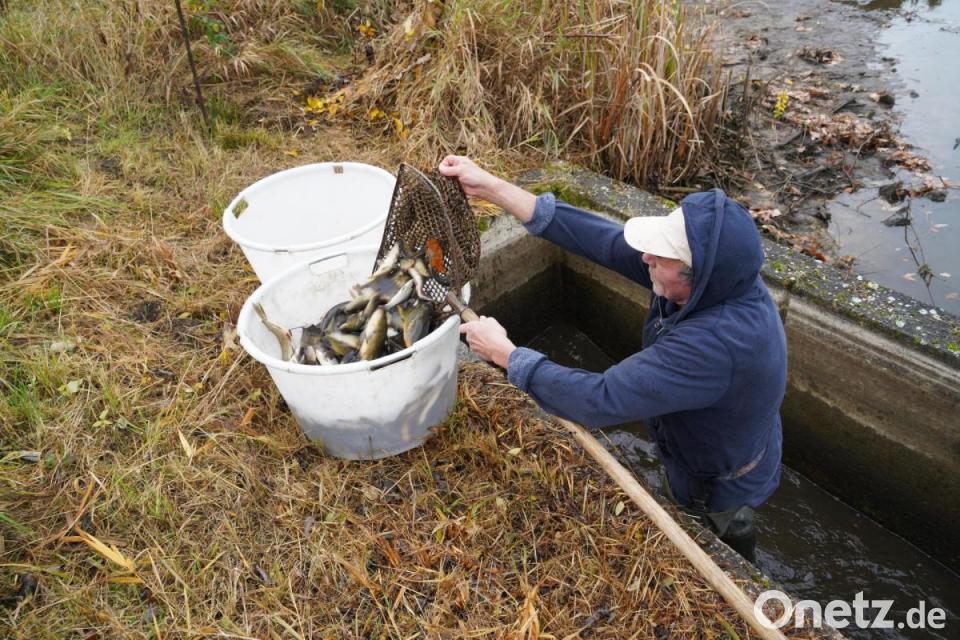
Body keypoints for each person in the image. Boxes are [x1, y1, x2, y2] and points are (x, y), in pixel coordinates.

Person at [438, 155, 788, 564]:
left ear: (699, 274)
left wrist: (505, 353)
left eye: (660, 256)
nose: (646, 258)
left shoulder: (715, 345)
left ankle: (737, 557)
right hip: (712, 426)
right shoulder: (712, 275)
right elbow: (603, 241)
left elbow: (597, 400)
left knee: (724, 524)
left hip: (721, 475)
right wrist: (491, 187)